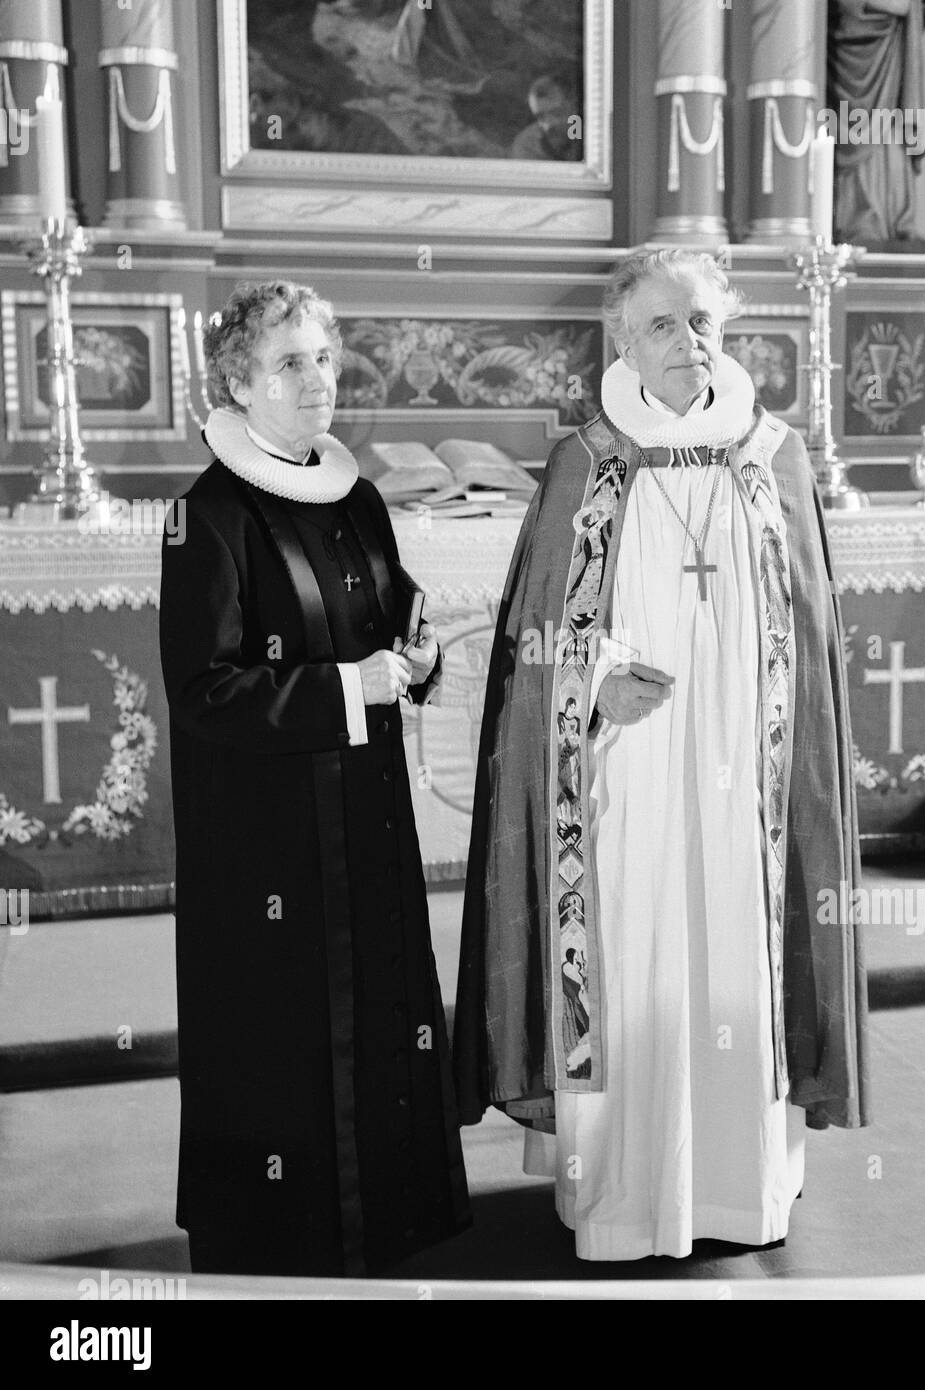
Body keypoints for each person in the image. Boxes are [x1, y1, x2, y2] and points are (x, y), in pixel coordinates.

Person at [454, 249, 868, 1261]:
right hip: (624, 774)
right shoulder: (585, 461)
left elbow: (811, 647)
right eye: (663, 326)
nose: (689, 343)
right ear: (623, 341)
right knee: (630, 953)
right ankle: (627, 1197)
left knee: (737, 949)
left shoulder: (775, 457)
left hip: (747, 783)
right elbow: (533, 640)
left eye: (702, 322)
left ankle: (740, 1186)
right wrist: (592, 683)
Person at [160, 279, 470, 1276]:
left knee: (386, 1007)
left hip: (368, 816)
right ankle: (282, 1233)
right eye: (289, 361)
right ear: (238, 382)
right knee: (282, 1031)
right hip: (269, 842)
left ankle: (394, 1211)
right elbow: (204, 690)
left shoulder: (357, 496)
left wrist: (415, 662)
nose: (316, 380)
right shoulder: (204, 516)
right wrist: (346, 687)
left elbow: (392, 622)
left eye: (326, 358)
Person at [827, 0, 925, 247]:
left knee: (893, 130)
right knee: (858, 129)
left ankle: (897, 217)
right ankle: (859, 219)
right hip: (852, 39)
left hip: (892, 45)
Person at [510, 73, 583, 162]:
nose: (548, 126)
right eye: (540, 117)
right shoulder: (526, 145)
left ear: (574, 107)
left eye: (557, 113)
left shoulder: (595, 139)